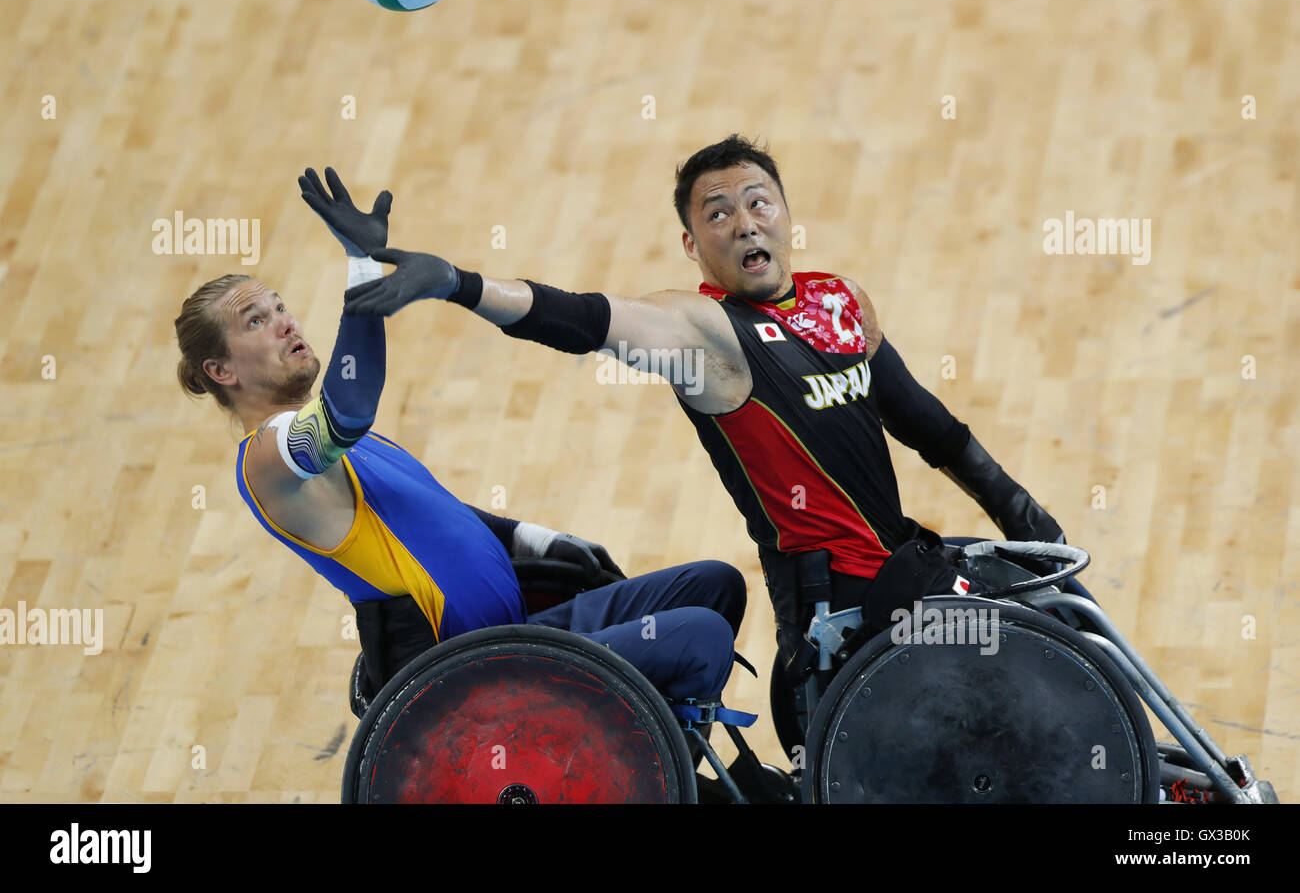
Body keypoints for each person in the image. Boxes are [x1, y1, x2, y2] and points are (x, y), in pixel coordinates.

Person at [317, 136, 1068, 664]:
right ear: (692, 245)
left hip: (905, 565)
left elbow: (924, 423)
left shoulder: (838, 302)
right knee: (1036, 651)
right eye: (717, 213)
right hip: (844, 614)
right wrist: (457, 282)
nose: (744, 222)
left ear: (785, 216)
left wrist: (1012, 503)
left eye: (758, 202)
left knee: (1057, 605)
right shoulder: (703, 334)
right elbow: (583, 319)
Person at [172, 169, 746, 710]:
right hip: (477, 678)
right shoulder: (267, 462)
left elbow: (444, 518)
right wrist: (363, 264)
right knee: (697, 633)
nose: (286, 323)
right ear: (222, 371)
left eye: (281, 307)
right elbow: (347, 408)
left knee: (713, 586)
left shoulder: (354, 447)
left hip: (524, 633)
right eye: (255, 321)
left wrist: (541, 541)